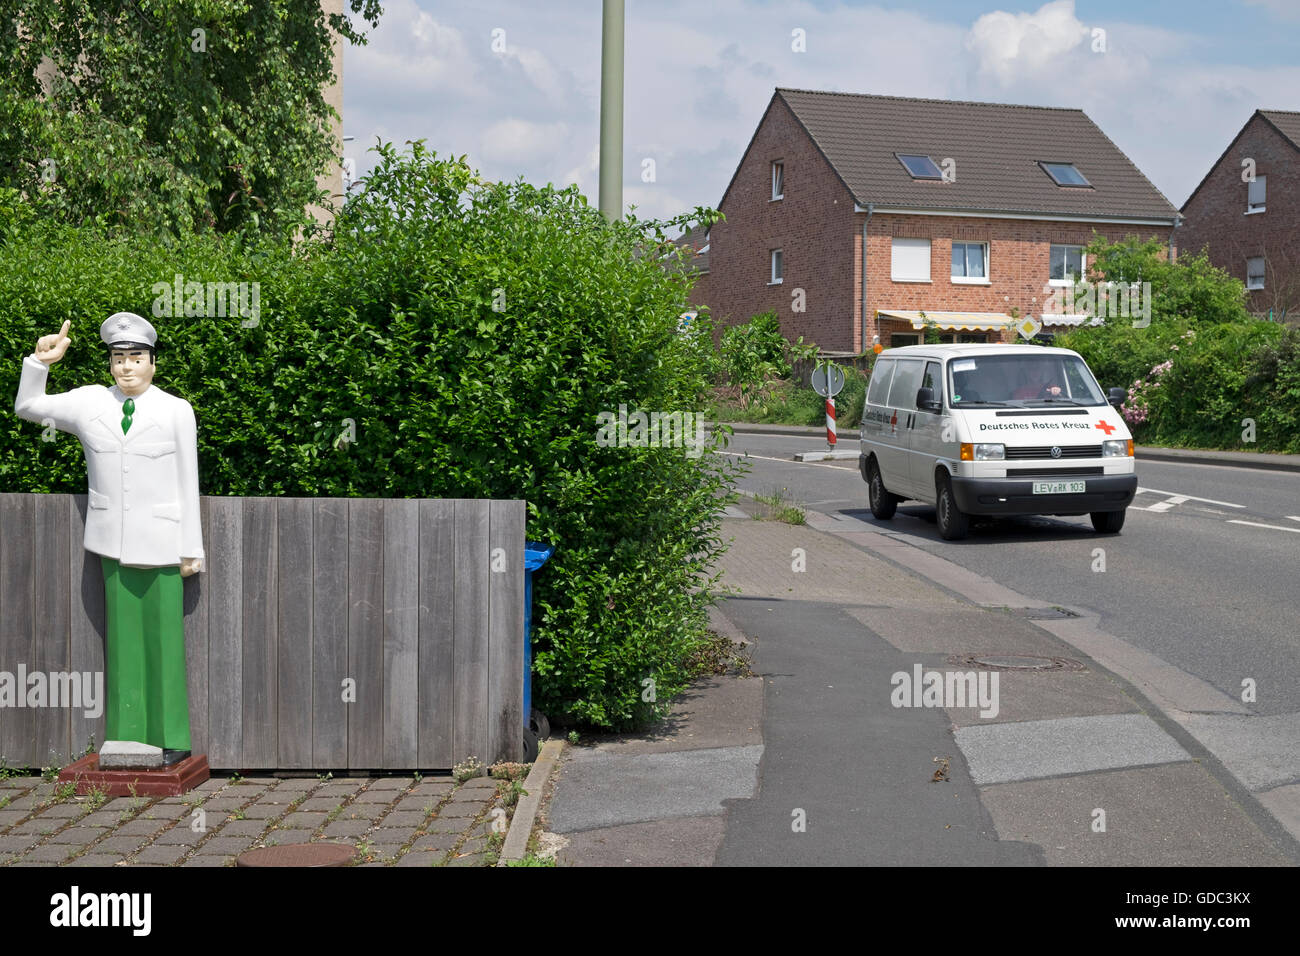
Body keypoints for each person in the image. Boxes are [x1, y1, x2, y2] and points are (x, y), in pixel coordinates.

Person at [13, 313, 204, 767]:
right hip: (111, 541)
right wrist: (40, 363)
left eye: (136, 358)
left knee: (164, 640)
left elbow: (186, 480)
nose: (127, 367)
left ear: (153, 363)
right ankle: (126, 732)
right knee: (121, 642)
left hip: (162, 540)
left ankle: (172, 734)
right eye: (119, 358)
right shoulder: (89, 403)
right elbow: (28, 407)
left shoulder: (176, 409)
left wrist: (191, 548)